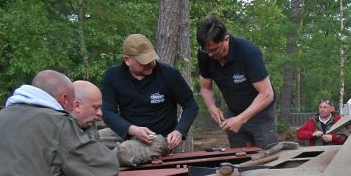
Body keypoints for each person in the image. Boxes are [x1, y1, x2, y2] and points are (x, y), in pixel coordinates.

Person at [101, 34, 199, 152]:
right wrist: (131, 129)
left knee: (125, 152)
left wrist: (179, 130)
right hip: (127, 131)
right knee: (88, 141)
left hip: (158, 137)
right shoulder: (112, 76)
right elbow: (107, 112)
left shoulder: (169, 74)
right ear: (127, 60)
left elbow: (191, 105)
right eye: (144, 61)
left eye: (151, 59)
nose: (150, 64)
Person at [196, 14, 277, 148]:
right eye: (207, 50)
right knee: (238, 157)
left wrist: (241, 119)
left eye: (215, 49)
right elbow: (205, 88)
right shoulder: (204, 54)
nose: (210, 55)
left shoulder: (248, 52)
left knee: (266, 157)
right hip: (234, 112)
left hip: (261, 114)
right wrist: (211, 107)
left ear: (226, 39)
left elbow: (267, 94)